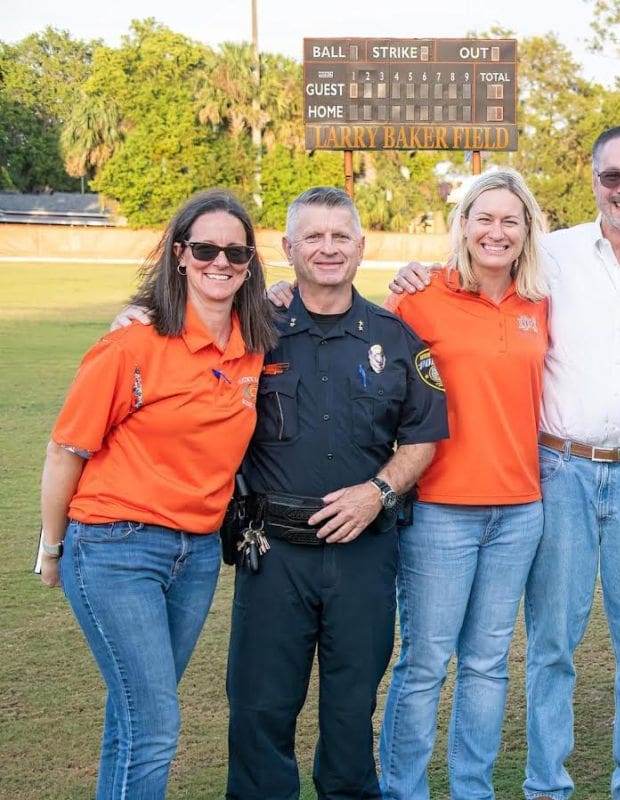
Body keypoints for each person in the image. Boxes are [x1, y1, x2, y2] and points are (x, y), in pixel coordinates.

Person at [388, 126, 620, 800]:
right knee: (549, 647)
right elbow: (444, 290)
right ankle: (545, 787)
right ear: (594, 180)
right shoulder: (553, 256)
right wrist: (407, 273)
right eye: (612, 176)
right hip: (557, 475)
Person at [39, 189, 277, 798]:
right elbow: (66, 449)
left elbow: (312, 297)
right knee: (153, 725)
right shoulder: (131, 344)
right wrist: (51, 547)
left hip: (196, 554)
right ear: (179, 254)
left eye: (235, 252)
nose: (220, 262)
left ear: (249, 262)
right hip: (115, 547)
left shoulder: (253, 345)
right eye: (204, 249)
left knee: (133, 715)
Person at [215, 187, 448, 800]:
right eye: (312, 237)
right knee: (260, 708)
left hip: (363, 552)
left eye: (340, 236)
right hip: (273, 553)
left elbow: (423, 436)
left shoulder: (398, 340)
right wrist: (132, 316)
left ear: (361, 247)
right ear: (288, 248)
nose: (327, 248)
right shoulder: (249, 332)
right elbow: (176, 340)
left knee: (351, 711)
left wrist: (378, 491)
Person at [372, 169, 549, 799]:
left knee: (488, 664)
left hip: (520, 510)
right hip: (439, 510)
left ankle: (473, 788)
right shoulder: (420, 295)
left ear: (527, 230)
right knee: (425, 663)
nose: (497, 232)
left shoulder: (539, 302)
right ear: (464, 225)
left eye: (510, 220)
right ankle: (404, 790)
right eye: (485, 218)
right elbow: (359, 346)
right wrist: (283, 292)